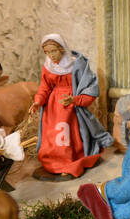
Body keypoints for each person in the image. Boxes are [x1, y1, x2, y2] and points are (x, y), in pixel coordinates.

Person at [32, 34, 113, 180]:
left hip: (71, 106)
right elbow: (45, 87)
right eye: (47, 52)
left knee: (68, 135)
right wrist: (38, 101)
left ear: (62, 49)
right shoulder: (48, 66)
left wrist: (75, 100)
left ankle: (67, 163)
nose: (51, 56)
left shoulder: (77, 64)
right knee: (51, 136)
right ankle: (53, 162)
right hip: (53, 107)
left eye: (54, 51)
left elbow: (90, 88)